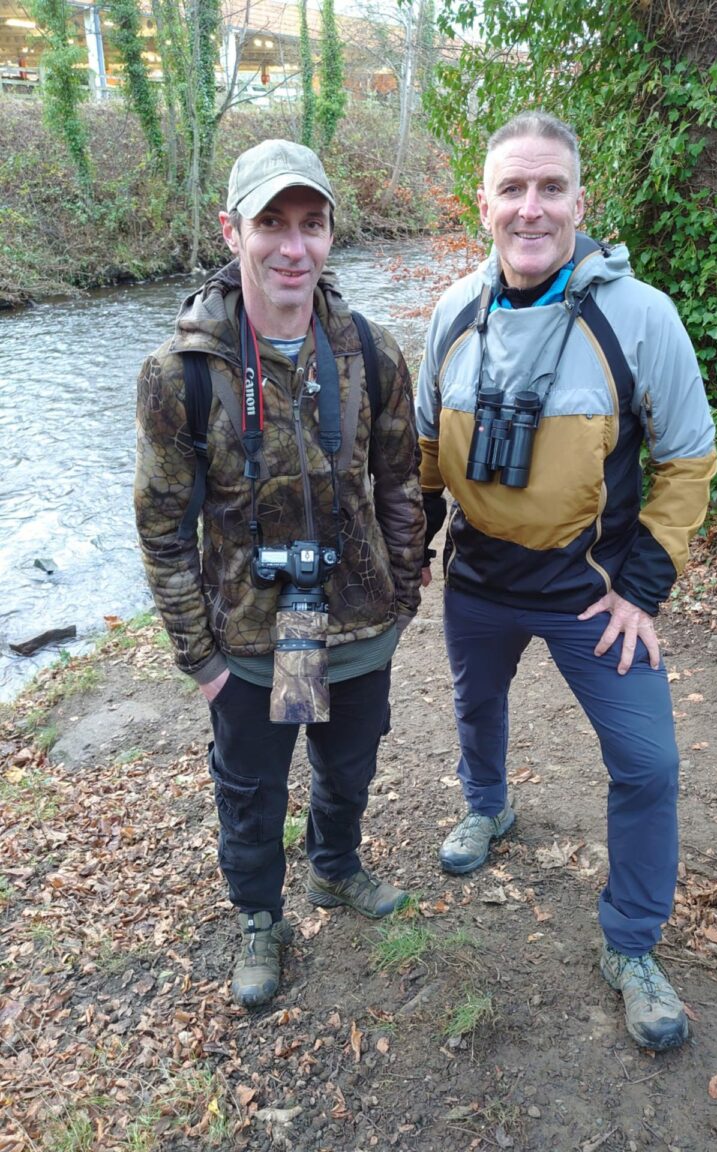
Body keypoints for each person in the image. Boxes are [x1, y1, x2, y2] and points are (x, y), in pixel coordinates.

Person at [416, 112, 717, 1052]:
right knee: (476, 704)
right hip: (479, 584)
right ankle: (487, 802)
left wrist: (643, 590)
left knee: (649, 765)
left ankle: (630, 945)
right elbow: (425, 458)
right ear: (485, 204)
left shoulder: (640, 317)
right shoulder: (451, 315)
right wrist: (406, 559)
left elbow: (689, 458)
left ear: (582, 203)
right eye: (513, 189)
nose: (531, 207)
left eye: (551, 189)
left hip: (594, 596)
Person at [135, 139, 425, 1009]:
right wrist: (202, 658)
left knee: (350, 770)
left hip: (359, 631)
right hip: (249, 644)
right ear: (234, 231)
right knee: (251, 795)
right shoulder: (179, 375)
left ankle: (336, 869)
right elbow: (160, 532)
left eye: (311, 223)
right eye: (271, 223)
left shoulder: (373, 353)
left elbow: (403, 482)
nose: (292, 246)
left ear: (332, 234)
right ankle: (260, 916)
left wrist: (401, 600)